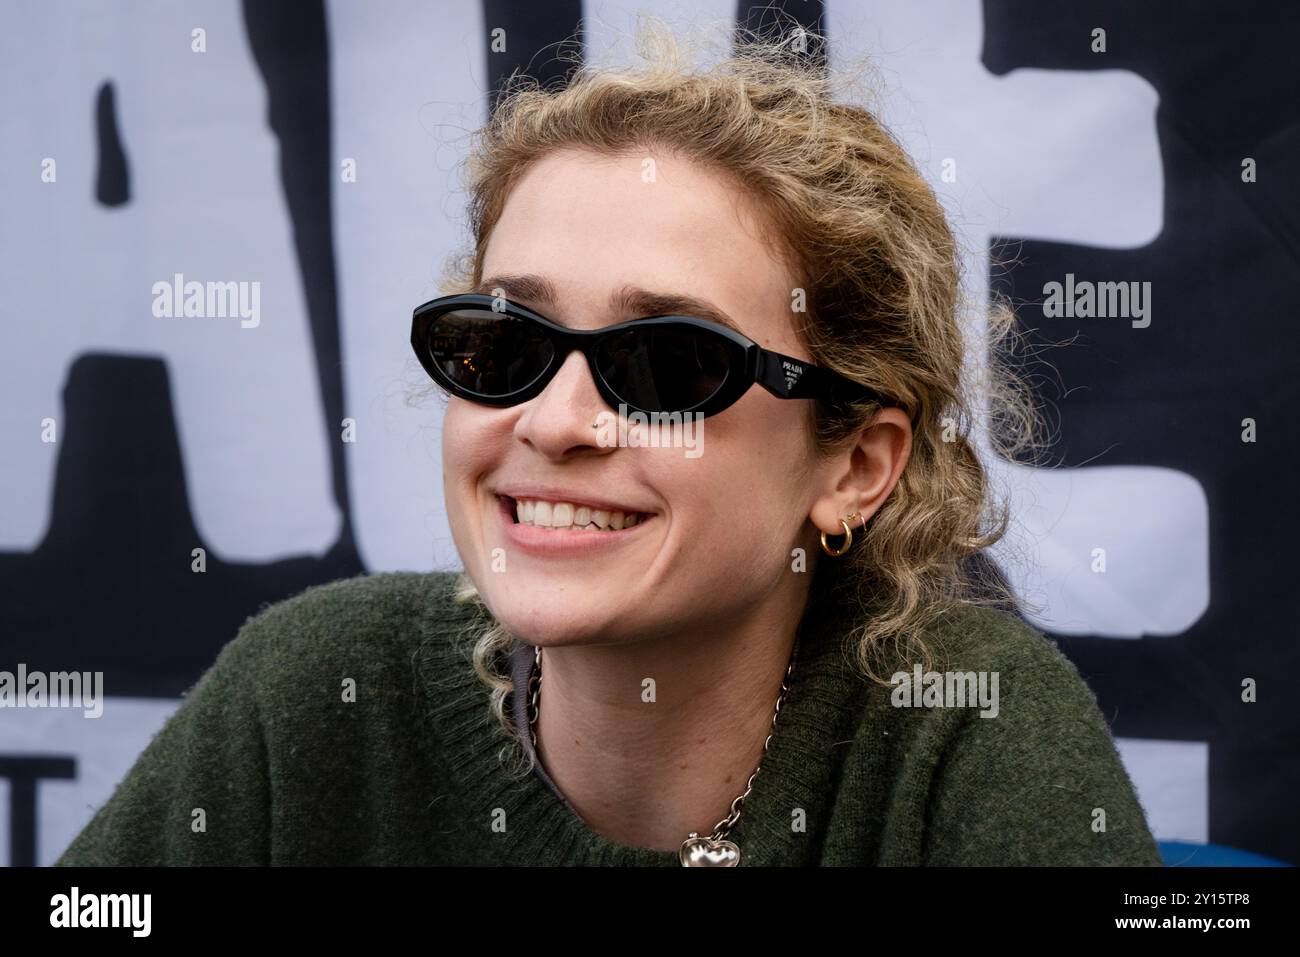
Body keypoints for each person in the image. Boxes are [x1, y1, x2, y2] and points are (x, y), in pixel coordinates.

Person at [56, 18, 1162, 867]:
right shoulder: (316, 690)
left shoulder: (963, 729)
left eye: (665, 365)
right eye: (504, 344)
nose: (550, 422)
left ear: (854, 466)